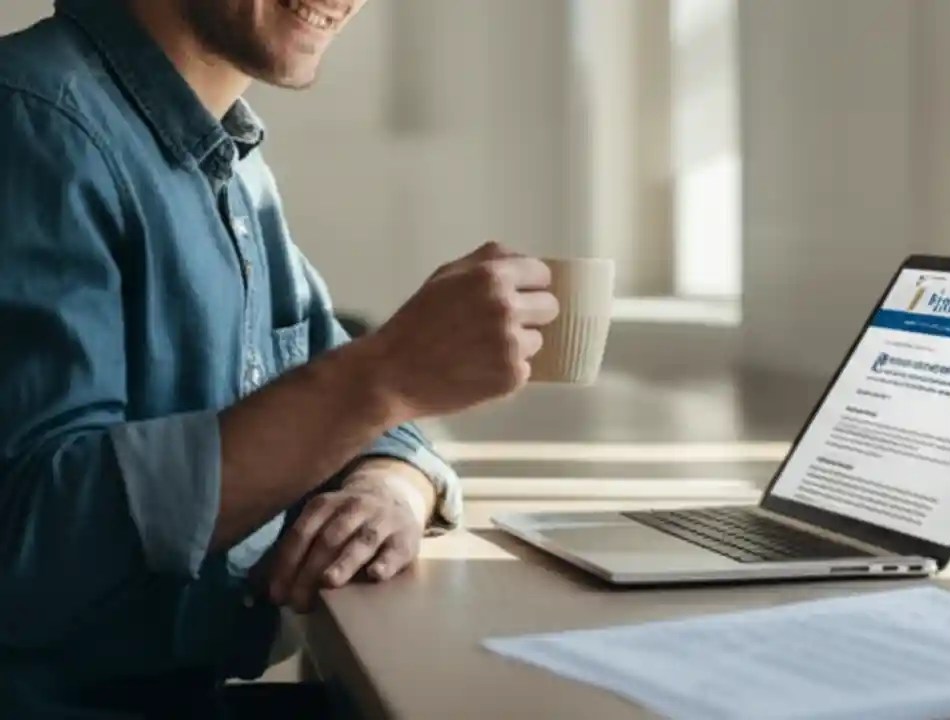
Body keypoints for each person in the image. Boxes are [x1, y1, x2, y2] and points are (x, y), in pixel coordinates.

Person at [0, 0, 559, 717]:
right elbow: (28, 551)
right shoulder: (33, 125)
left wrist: (388, 489)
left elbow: (354, 399)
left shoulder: (232, 168)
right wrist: (382, 375)